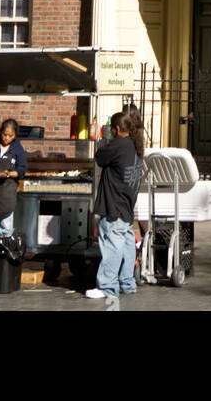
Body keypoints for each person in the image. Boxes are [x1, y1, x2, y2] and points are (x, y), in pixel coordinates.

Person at [86, 111, 137, 303]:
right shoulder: (133, 145)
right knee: (126, 243)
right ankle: (127, 282)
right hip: (126, 203)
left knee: (112, 245)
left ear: (115, 129)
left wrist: (105, 140)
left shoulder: (117, 144)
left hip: (113, 204)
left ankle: (107, 286)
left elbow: (100, 157)